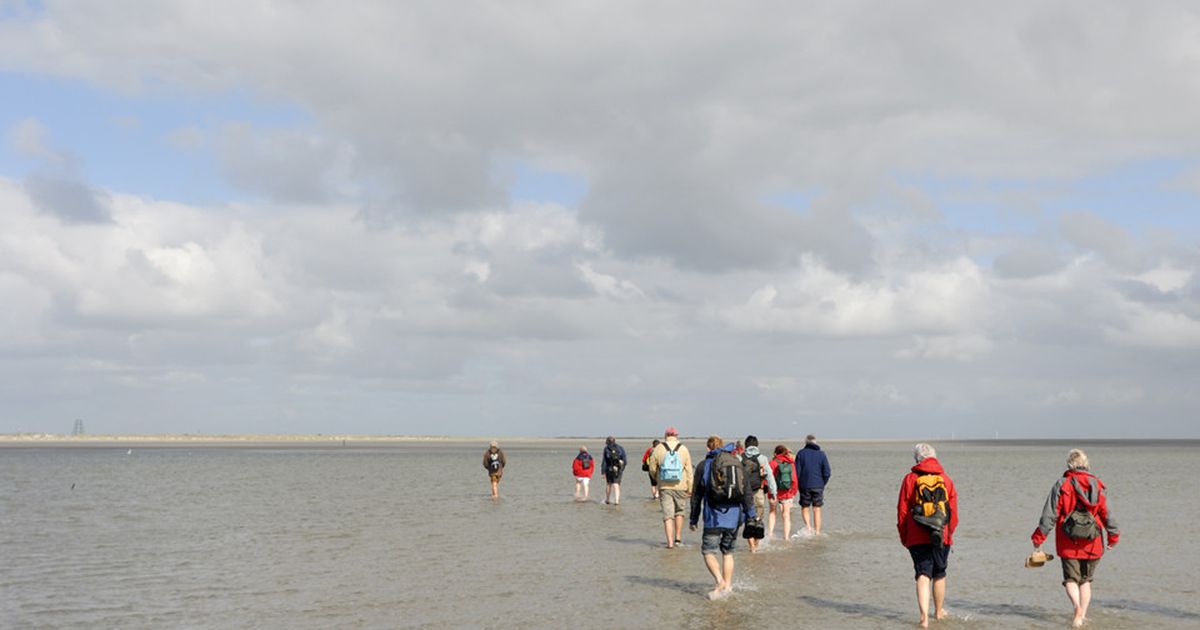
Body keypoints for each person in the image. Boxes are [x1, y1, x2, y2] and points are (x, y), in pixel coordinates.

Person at [1031, 449, 1120, 628]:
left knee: (1070, 579)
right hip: (1092, 541)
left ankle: (1076, 607)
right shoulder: (1098, 485)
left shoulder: (1062, 484)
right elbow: (1107, 513)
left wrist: (1039, 537)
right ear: (1086, 464)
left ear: (1069, 464)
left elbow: (1050, 514)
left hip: (1068, 541)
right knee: (1086, 580)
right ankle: (1082, 616)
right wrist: (1113, 536)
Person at [897, 443, 959, 629]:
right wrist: (949, 533)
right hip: (942, 534)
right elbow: (953, 512)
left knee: (922, 574)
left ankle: (924, 619)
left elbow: (902, 510)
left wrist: (904, 535)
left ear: (917, 459)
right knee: (939, 573)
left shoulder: (910, 479)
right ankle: (939, 612)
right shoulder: (946, 479)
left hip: (917, 535)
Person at [689, 435, 756, 600]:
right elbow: (747, 492)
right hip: (734, 517)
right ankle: (728, 586)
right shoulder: (736, 463)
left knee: (708, 551)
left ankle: (719, 581)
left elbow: (696, 495)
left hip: (713, 517)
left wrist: (693, 519)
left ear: (708, 448)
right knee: (728, 553)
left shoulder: (704, 466)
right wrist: (751, 515)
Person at [647, 426, 693, 548]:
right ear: (676, 435)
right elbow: (689, 471)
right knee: (679, 512)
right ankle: (678, 539)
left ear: (666, 435)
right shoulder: (683, 449)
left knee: (668, 515)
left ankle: (670, 543)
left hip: (664, 486)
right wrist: (690, 487)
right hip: (681, 485)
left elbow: (652, 467)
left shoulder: (658, 448)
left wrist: (657, 478)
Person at [739, 435, 776, 553]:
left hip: (744, 493)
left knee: (748, 520)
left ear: (746, 445)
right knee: (758, 521)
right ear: (757, 445)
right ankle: (756, 544)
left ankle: (751, 547)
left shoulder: (740, 458)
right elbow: (769, 476)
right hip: (759, 491)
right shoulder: (762, 458)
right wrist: (773, 492)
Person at [795, 434, 832, 535]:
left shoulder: (801, 453)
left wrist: (797, 485)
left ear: (806, 443)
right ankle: (818, 532)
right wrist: (822, 483)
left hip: (804, 485)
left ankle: (808, 527)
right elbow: (827, 472)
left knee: (805, 507)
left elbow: (797, 472)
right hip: (818, 485)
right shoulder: (821, 454)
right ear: (816, 442)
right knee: (817, 509)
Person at [767, 444, 798, 540]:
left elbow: (767, 478)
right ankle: (786, 537)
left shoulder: (772, 463)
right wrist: (793, 492)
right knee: (786, 514)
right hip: (787, 493)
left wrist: (768, 490)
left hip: (773, 493)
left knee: (772, 512)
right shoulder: (791, 463)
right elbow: (794, 480)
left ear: (775, 453)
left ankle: (770, 533)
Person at [601, 436, 627, 505]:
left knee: (609, 484)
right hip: (618, 468)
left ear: (607, 442)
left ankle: (607, 499)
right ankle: (617, 501)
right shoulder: (620, 448)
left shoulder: (606, 449)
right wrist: (622, 468)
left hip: (609, 469)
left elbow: (604, 461)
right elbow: (625, 460)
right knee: (616, 484)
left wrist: (603, 472)